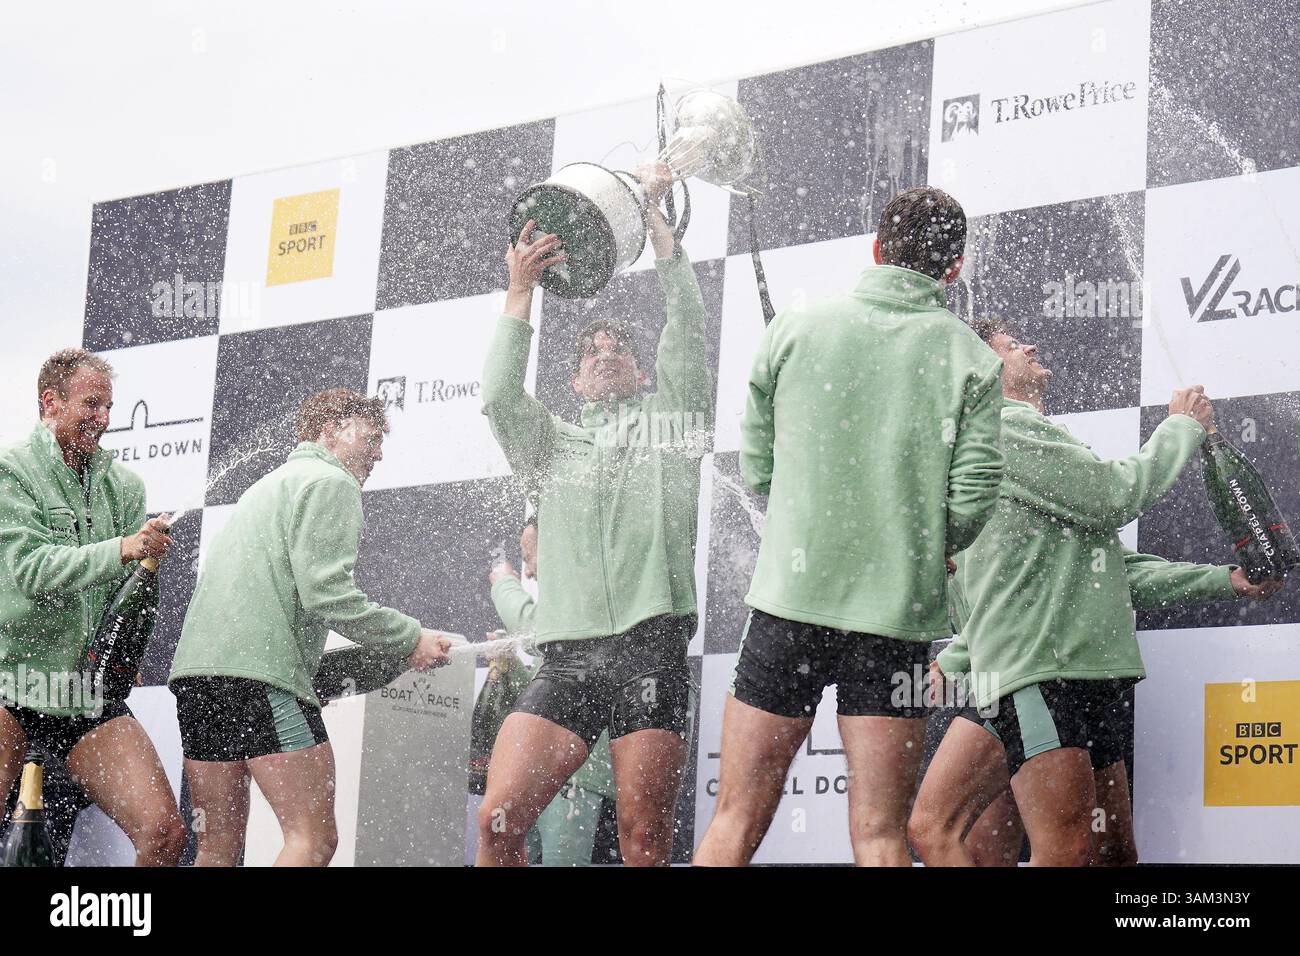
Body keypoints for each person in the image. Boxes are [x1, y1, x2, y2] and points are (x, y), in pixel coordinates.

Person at [695, 186, 1005, 866]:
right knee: (881, 835)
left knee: (734, 821)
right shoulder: (973, 359)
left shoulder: (796, 329)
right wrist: (919, 543)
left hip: (788, 608)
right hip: (893, 619)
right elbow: (974, 500)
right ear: (953, 269)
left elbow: (759, 468)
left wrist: (809, 525)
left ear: (875, 249)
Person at [909, 317, 1283, 866]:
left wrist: (1223, 580)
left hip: (1074, 671)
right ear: (982, 371)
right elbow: (1114, 494)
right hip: (1038, 670)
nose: (1029, 343)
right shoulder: (1003, 429)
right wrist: (1179, 426)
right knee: (1047, 846)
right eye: (1012, 345)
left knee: (1108, 852)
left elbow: (1111, 574)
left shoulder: (1020, 443)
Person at [478, 161, 712, 866]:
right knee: (496, 822)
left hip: (652, 646)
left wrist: (659, 232)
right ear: (574, 380)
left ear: (644, 374)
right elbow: (497, 396)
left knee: (645, 839)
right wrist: (520, 289)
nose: (606, 355)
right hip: (570, 656)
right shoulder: (550, 444)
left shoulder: (675, 423)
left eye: (620, 350)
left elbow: (690, 327)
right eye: (591, 352)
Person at [168, 388, 452, 867]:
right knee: (312, 839)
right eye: (373, 436)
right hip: (260, 678)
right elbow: (327, 594)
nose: (380, 451)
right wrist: (410, 639)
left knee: (216, 848)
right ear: (330, 429)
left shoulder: (269, 484)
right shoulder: (331, 481)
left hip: (197, 679)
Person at [0, 348, 186, 866]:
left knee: (164, 833)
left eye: (109, 407)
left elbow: (122, 596)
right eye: (91, 404)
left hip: (83, 691)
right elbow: (32, 570)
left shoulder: (124, 487)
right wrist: (123, 548)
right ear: (51, 403)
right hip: (11, 679)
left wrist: (141, 572)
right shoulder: (9, 471)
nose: (103, 419)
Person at [474, 515, 619, 866]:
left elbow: (543, 632)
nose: (527, 569)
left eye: (529, 556)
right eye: (522, 561)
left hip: (581, 778)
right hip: (551, 771)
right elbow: (558, 677)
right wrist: (510, 668)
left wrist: (503, 586)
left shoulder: (594, 594)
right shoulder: (568, 606)